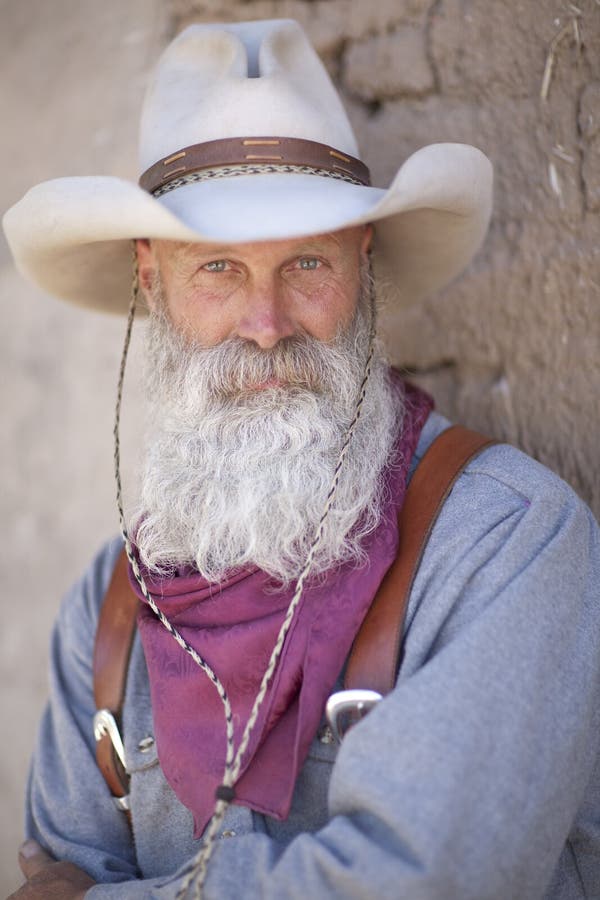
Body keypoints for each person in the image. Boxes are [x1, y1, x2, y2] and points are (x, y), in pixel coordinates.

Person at [4, 18, 600, 900]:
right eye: (217, 270)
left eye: (308, 262)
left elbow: (423, 884)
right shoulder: (106, 612)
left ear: (365, 265)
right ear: (151, 279)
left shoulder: (508, 542)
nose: (267, 324)